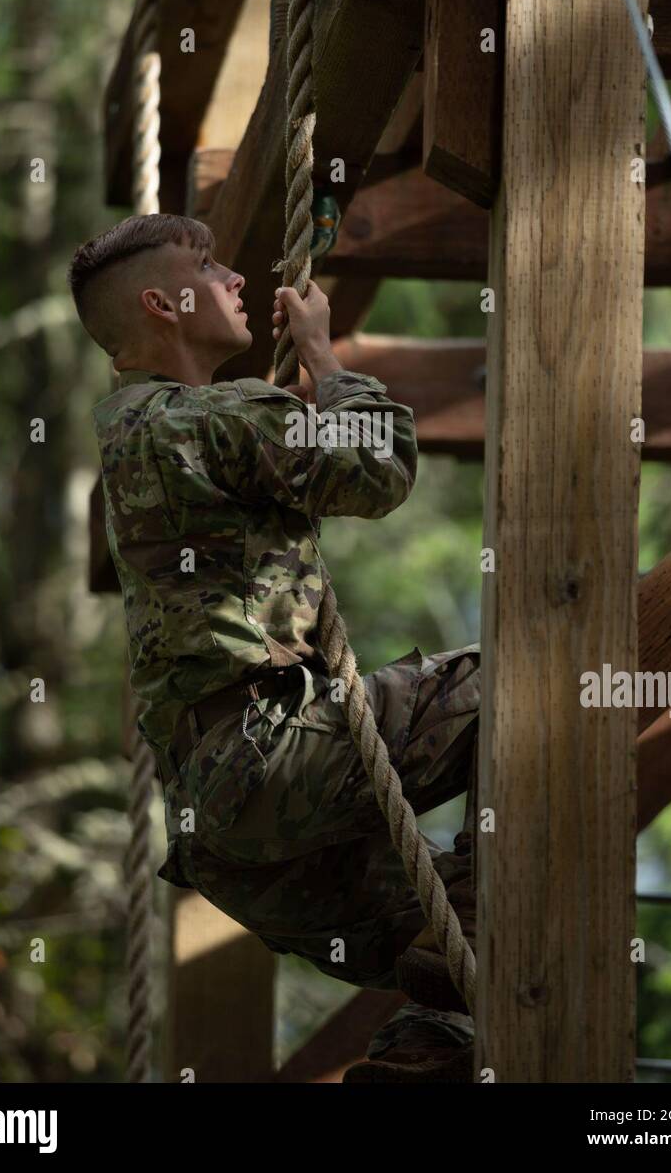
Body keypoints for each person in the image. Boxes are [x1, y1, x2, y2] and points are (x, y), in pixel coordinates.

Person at [68, 212, 479, 1082]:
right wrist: (325, 358)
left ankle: (420, 1063)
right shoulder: (212, 416)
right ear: (163, 303)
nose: (236, 278)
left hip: (227, 835)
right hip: (277, 760)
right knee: (534, 688)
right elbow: (379, 469)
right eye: (210, 267)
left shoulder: (131, 434)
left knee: (470, 945)